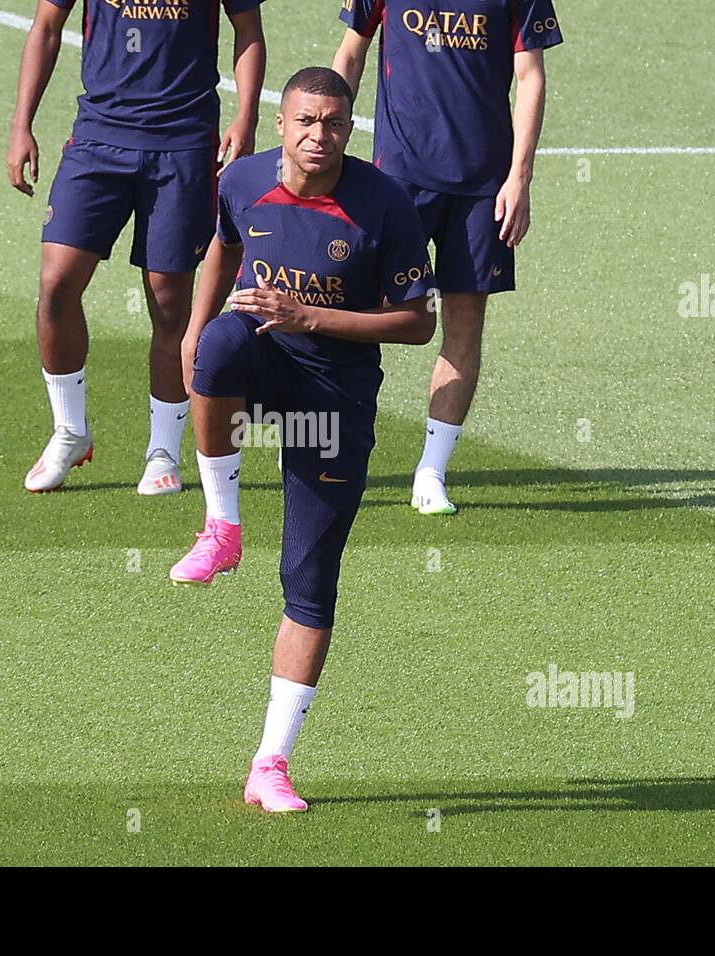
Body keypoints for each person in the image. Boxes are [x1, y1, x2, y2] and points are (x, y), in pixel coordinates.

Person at [170, 67, 437, 811]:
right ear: (279, 123)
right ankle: (222, 525)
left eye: (334, 122)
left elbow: (419, 322)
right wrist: (195, 326)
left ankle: (270, 763)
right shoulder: (243, 180)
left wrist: (309, 317)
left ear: (351, 129)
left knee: (310, 580)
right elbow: (222, 245)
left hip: (334, 397)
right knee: (219, 346)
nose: (319, 135)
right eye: (305, 121)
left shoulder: (385, 204)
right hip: (262, 363)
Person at [7, 0, 267, 495]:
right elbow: (45, 26)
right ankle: (70, 430)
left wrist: (246, 116)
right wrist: (22, 123)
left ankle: (163, 450)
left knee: (169, 303)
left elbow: (248, 31)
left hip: (183, 144)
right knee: (57, 282)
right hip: (98, 138)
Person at [332, 0, 562, 515]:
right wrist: (328, 145)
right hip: (396, 179)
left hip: (483, 188)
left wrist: (519, 178)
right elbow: (350, 55)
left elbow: (531, 77)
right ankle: (336, 451)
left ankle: (432, 472)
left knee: (464, 322)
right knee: (353, 307)